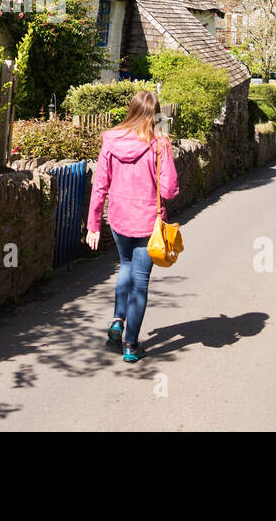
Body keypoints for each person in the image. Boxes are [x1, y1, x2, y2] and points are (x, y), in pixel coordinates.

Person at [85, 89, 178, 362]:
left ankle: (117, 321)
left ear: (132, 111)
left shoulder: (111, 141)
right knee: (140, 282)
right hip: (148, 223)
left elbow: (99, 186)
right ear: (155, 114)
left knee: (124, 266)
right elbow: (170, 190)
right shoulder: (159, 144)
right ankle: (130, 345)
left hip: (119, 219)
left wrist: (93, 225)